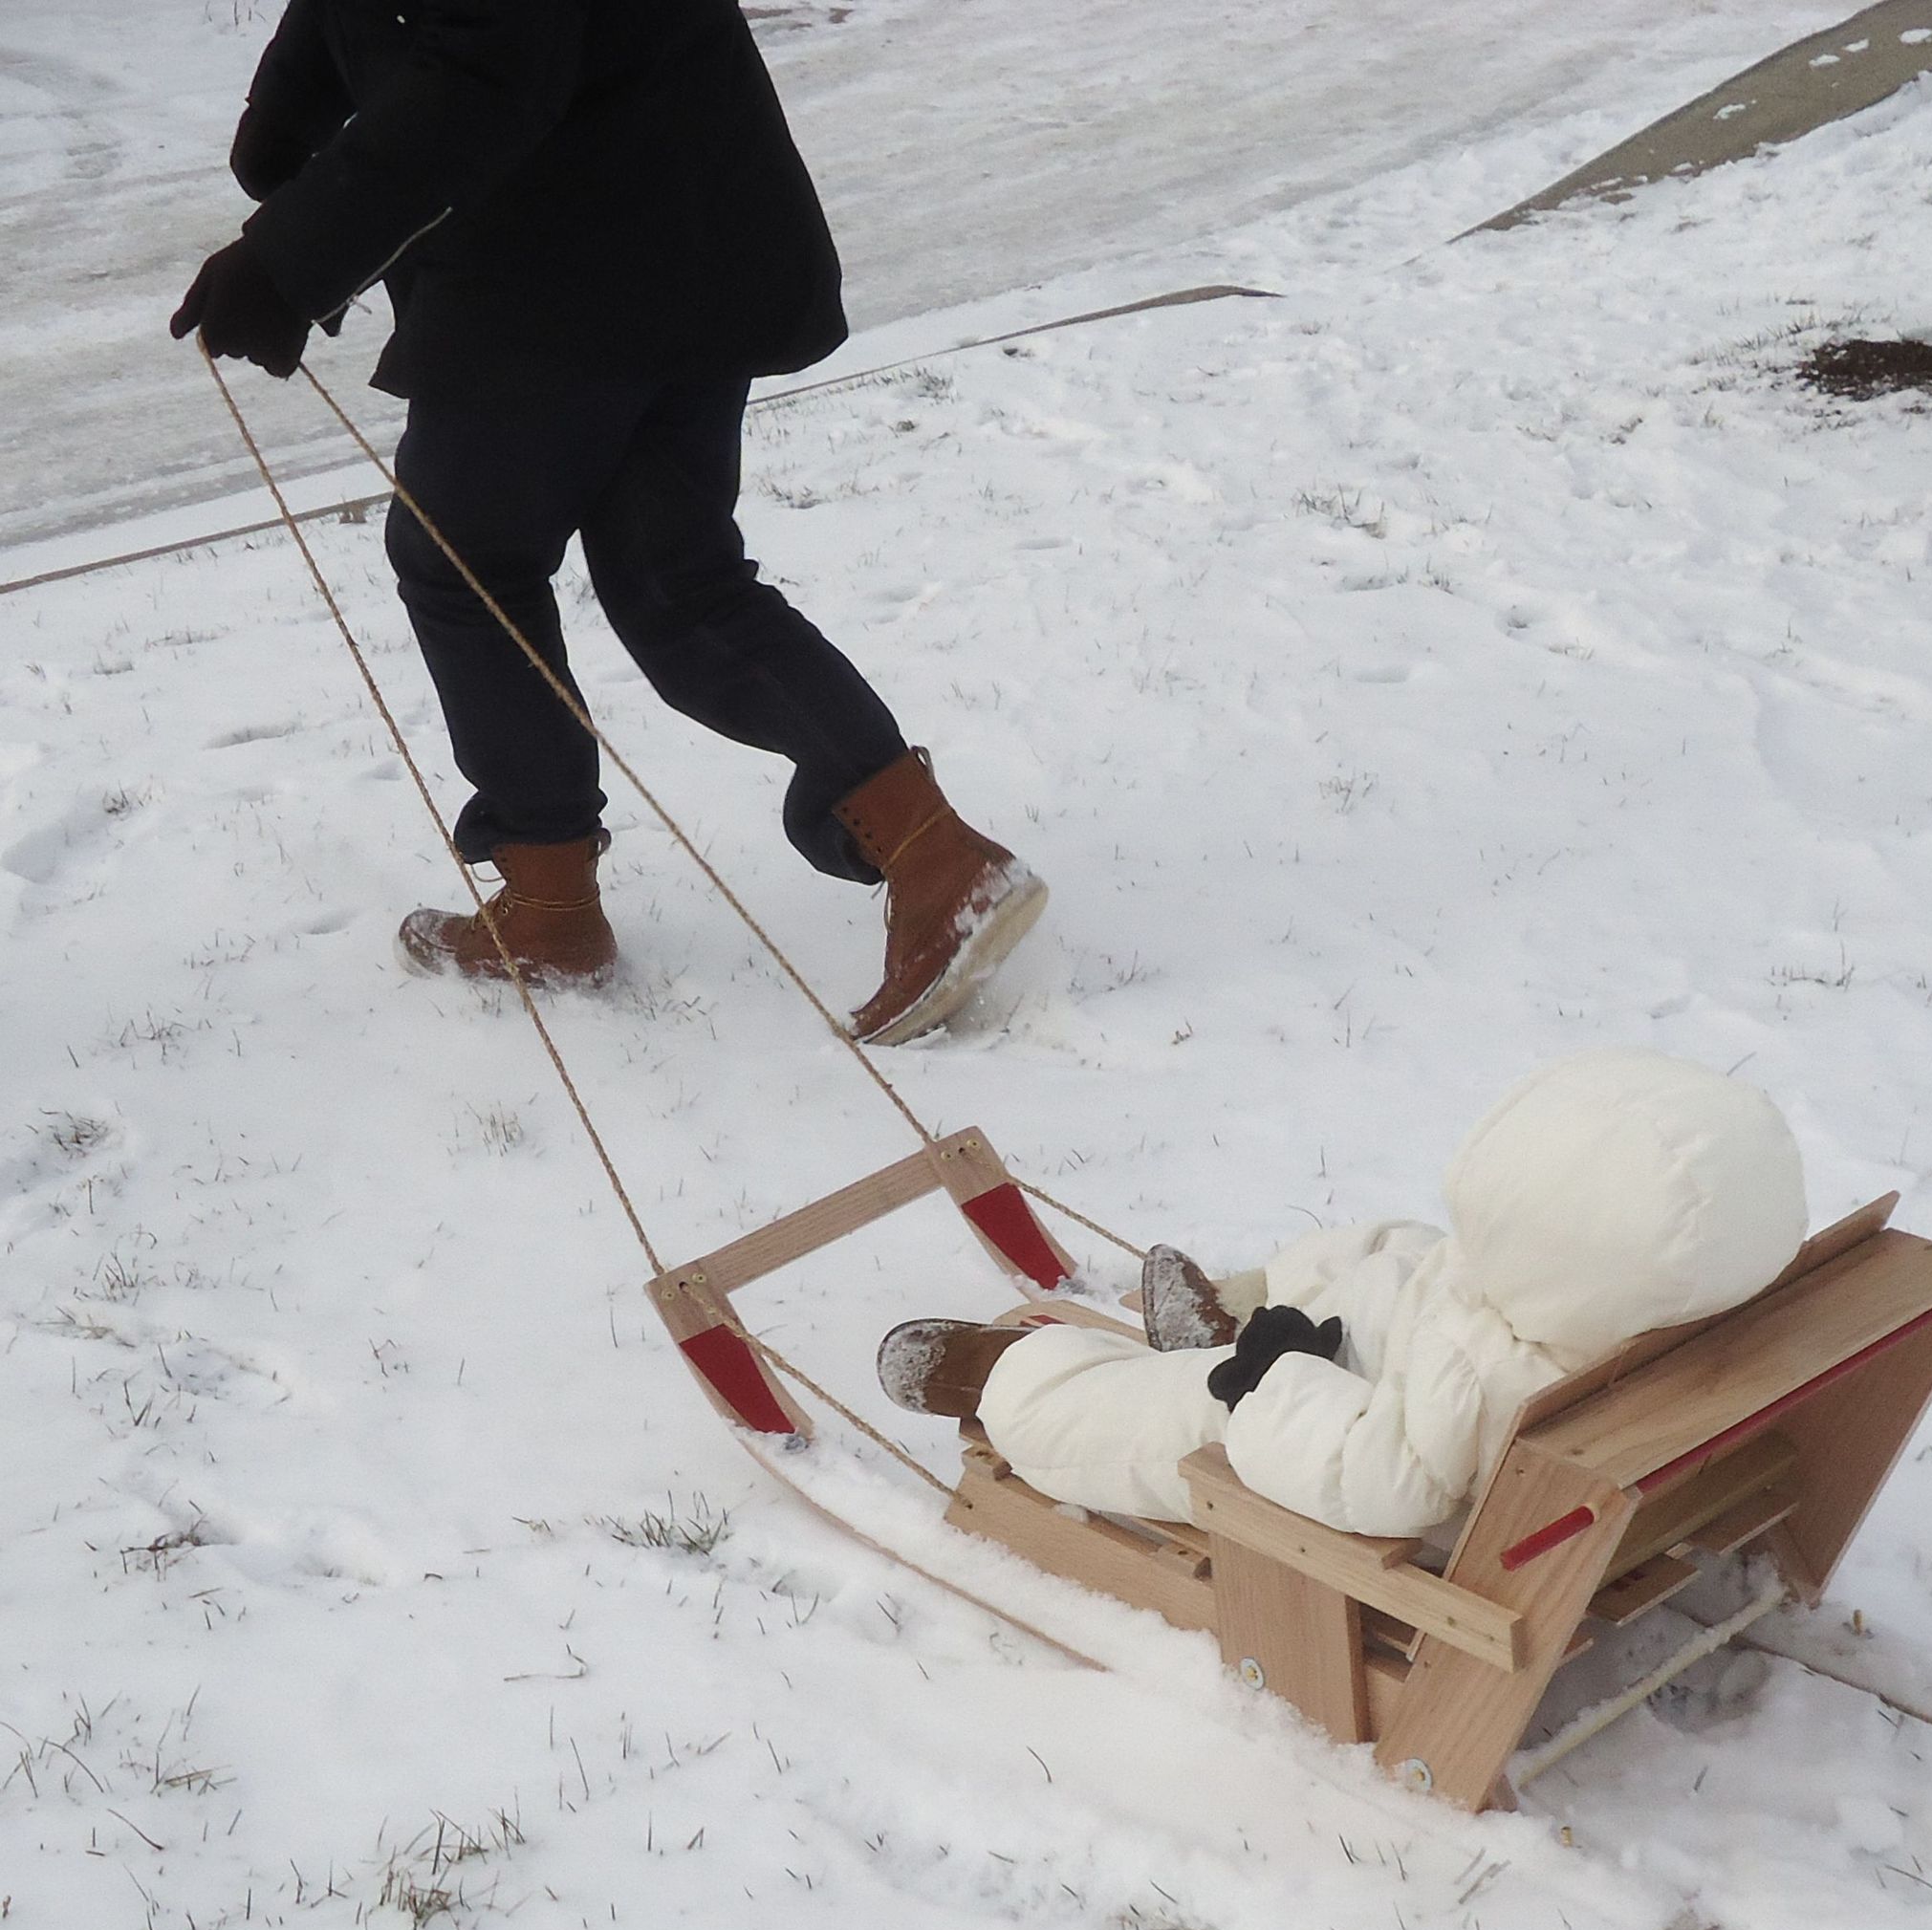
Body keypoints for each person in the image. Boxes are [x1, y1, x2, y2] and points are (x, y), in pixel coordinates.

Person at [170, 0, 1044, 1043]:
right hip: (677, 225)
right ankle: (931, 855)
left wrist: (290, 258)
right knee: (675, 578)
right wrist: (295, 98)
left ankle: (551, 909)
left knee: (463, 559)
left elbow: (491, 66)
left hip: (562, 257)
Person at [878, 1049, 1811, 1539]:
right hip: (1430, 1333)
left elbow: (1384, 1480)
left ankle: (1017, 1378)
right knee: (1392, 1249)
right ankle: (1239, 1309)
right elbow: (1451, 1272)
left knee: (1152, 1415)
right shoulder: (1641, 1302)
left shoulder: (1489, 1388)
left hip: (1328, 1419)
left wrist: (1268, 1381)